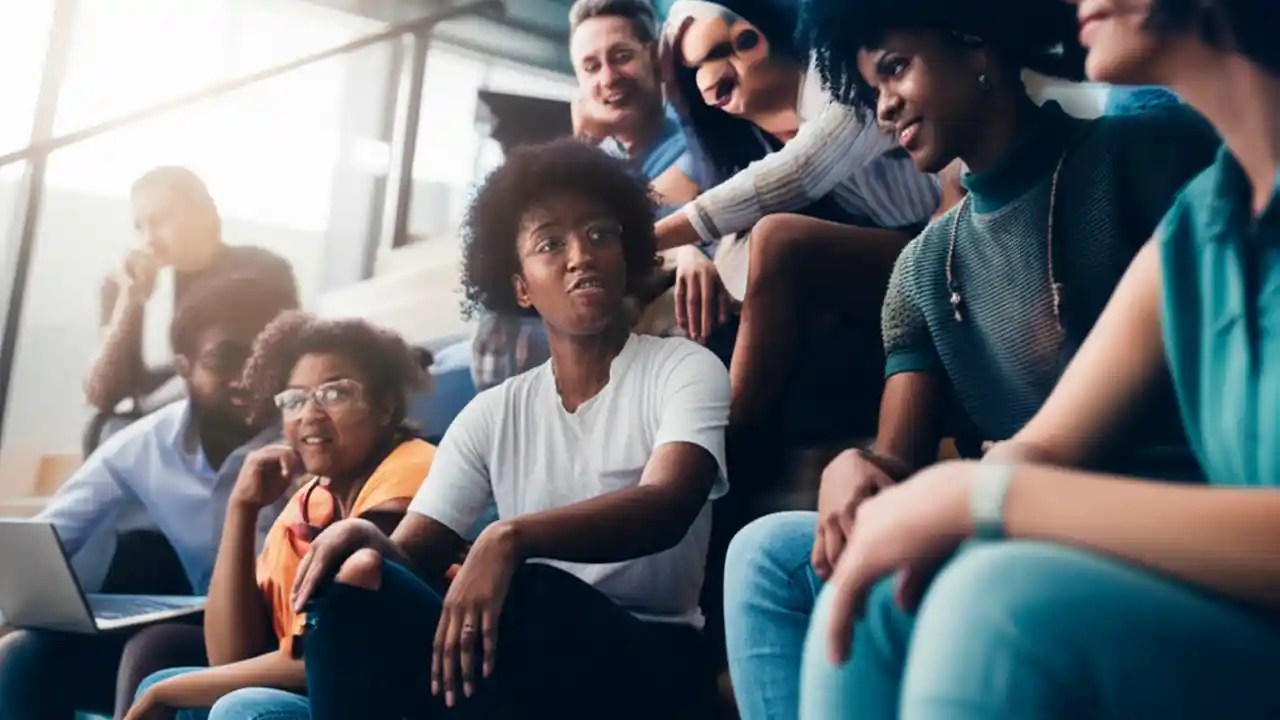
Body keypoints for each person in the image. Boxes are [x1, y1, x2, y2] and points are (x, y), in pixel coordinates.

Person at [721, 0, 1223, 717]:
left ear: (977, 48)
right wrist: (852, 470)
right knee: (767, 554)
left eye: (895, 69)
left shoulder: (1141, 152)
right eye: (869, 90)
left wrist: (989, 488)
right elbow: (899, 463)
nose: (884, 107)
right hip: (1010, 512)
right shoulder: (923, 268)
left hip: (1155, 513)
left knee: (947, 590)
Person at [290, 139, 730, 719]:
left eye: (601, 234)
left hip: (652, 655)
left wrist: (511, 537)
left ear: (627, 254)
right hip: (526, 658)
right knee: (352, 589)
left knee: (530, 589)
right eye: (551, 244)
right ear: (521, 286)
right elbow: (413, 557)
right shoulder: (493, 413)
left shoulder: (684, 366)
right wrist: (359, 540)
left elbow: (669, 504)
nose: (580, 256)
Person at [0, 274, 297, 720]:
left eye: (261, 361)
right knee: (23, 653)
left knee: (156, 648)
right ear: (183, 365)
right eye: (225, 360)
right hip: (209, 623)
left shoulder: (308, 437)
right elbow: (48, 536)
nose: (247, 378)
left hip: (283, 631)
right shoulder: (146, 444)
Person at [125, 313, 436, 720]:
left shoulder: (413, 466)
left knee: (236, 706)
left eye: (335, 393)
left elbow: (329, 655)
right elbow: (232, 655)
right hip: (329, 688)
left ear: (384, 407)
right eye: (294, 399)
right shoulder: (310, 500)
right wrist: (243, 508)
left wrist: (168, 692)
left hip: (398, 696)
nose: (310, 413)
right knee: (163, 681)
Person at [660, 0, 942, 430]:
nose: (714, 74)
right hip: (889, 266)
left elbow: (800, 169)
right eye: (695, 67)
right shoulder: (743, 144)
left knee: (778, 238)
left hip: (939, 232)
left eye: (737, 43)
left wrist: (656, 237)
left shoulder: (841, 75)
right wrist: (687, 252)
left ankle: (721, 437)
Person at [471, 0, 704, 394]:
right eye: (592, 67)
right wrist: (583, 146)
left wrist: (584, 146)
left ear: (655, 56)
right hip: (600, 303)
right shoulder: (602, 157)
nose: (609, 78)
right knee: (502, 311)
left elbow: (636, 229)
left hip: (652, 301)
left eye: (622, 57)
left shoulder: (697, 133)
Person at [87, 166, 296, 413]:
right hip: (152, 426)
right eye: (139, 227)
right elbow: (102, 395)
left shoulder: (262, 271)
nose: (149, 238)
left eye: (160, 220)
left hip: (233, 415)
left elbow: (280, 368)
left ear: (204, 214)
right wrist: (129, 303)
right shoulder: (123, 284)